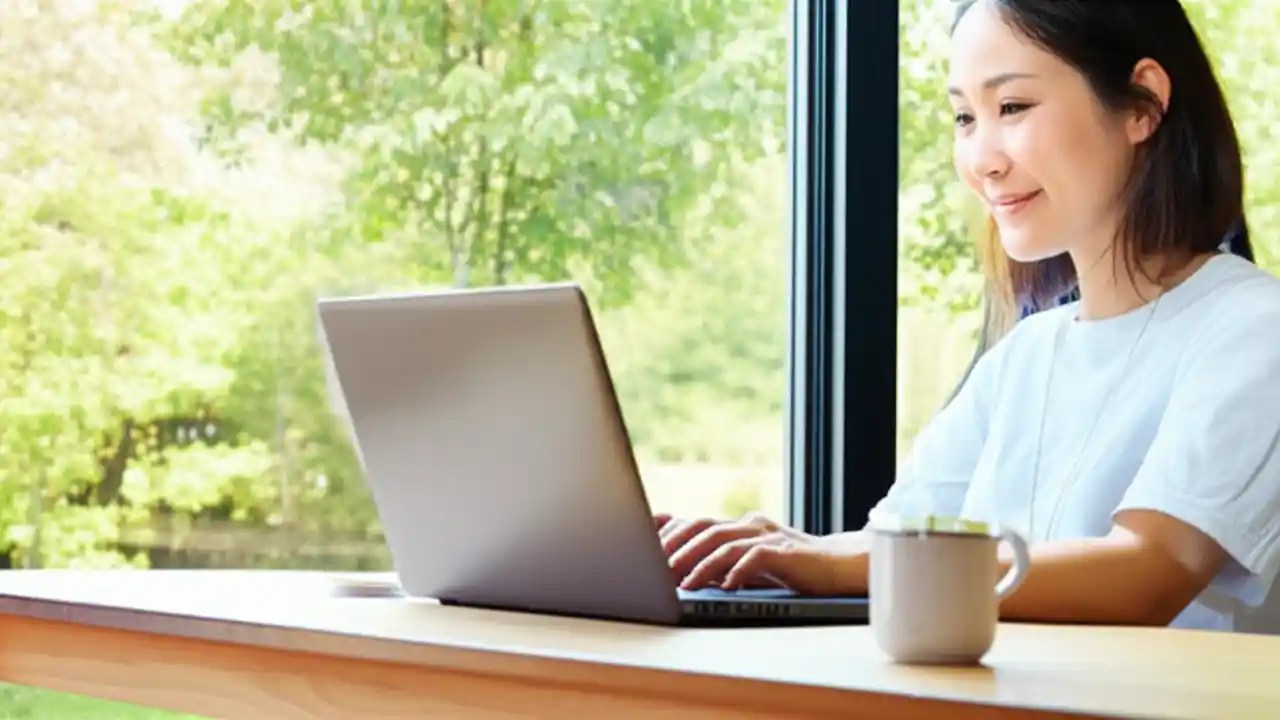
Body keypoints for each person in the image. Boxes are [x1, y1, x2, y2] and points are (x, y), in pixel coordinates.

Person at [655, 0, 1280, 632]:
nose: (982, 159)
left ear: (1143, 103)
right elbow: (899, 542)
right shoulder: (1024, 356)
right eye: (964, 117)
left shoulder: (1252, 327)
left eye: (1011, 108)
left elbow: (1148, 571)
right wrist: (783, 547)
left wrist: (838, 566)